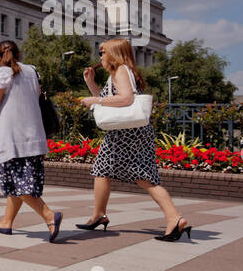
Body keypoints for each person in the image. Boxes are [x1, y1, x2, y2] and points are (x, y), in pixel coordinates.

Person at [78, 38, 191, 241]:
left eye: (103, 52)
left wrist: (94, 99)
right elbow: (110, 102)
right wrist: (90, 83)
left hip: (126, 134)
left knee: (142, 177)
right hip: (129, 132)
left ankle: (174, 218)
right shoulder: (120, 72)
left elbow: (125, 99)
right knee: (102, 170)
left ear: (113, 54)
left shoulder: (120, 70)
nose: (100, 56)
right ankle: (98, 215)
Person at [0, 40, 62, 241]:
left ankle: (49, 215)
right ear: (19, 54)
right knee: (18, 184)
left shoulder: (1, 73)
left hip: (12, 138)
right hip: (34, 136)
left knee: (16, 183)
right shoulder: (32, 71)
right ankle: (6, 223)